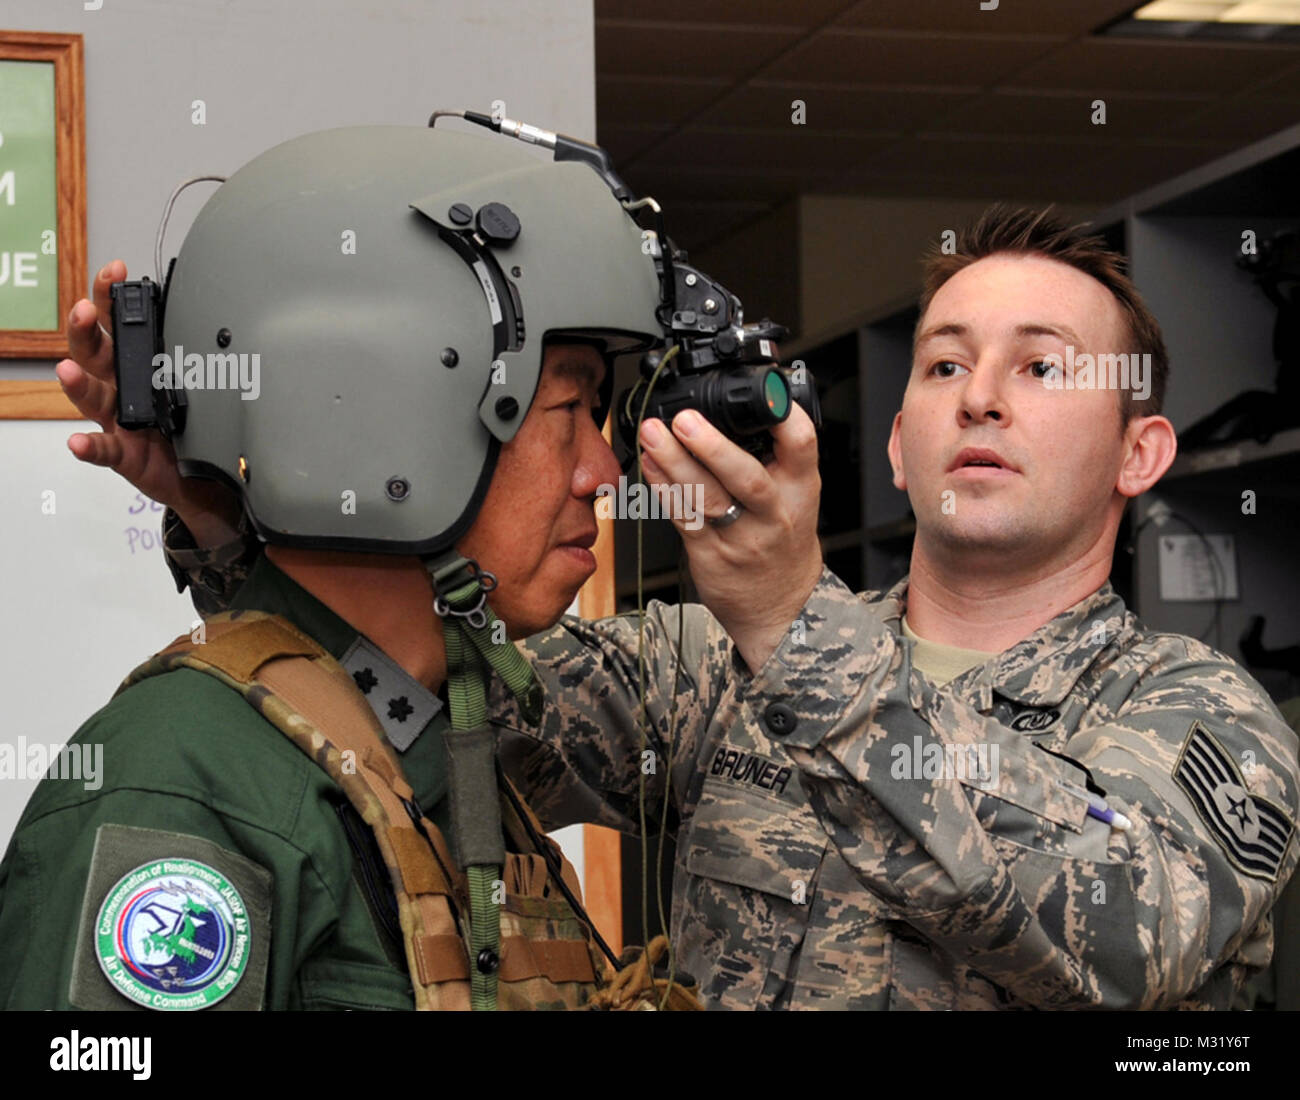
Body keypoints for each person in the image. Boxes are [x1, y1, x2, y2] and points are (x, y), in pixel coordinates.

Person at [44, 203, 1300, 1009]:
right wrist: (226, 512)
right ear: (900, 442)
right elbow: (420, 705)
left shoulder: (1201, 718)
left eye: (1040, 367)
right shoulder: (704, 664)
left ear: (1141, 453)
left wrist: (795, 619)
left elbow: (1125, 943)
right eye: (943, 365)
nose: (980, 397)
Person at [0, 122, 697, 1011]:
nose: (604, 473)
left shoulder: (431, 758)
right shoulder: (184, 788)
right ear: (389, 411)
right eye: (566, 406)